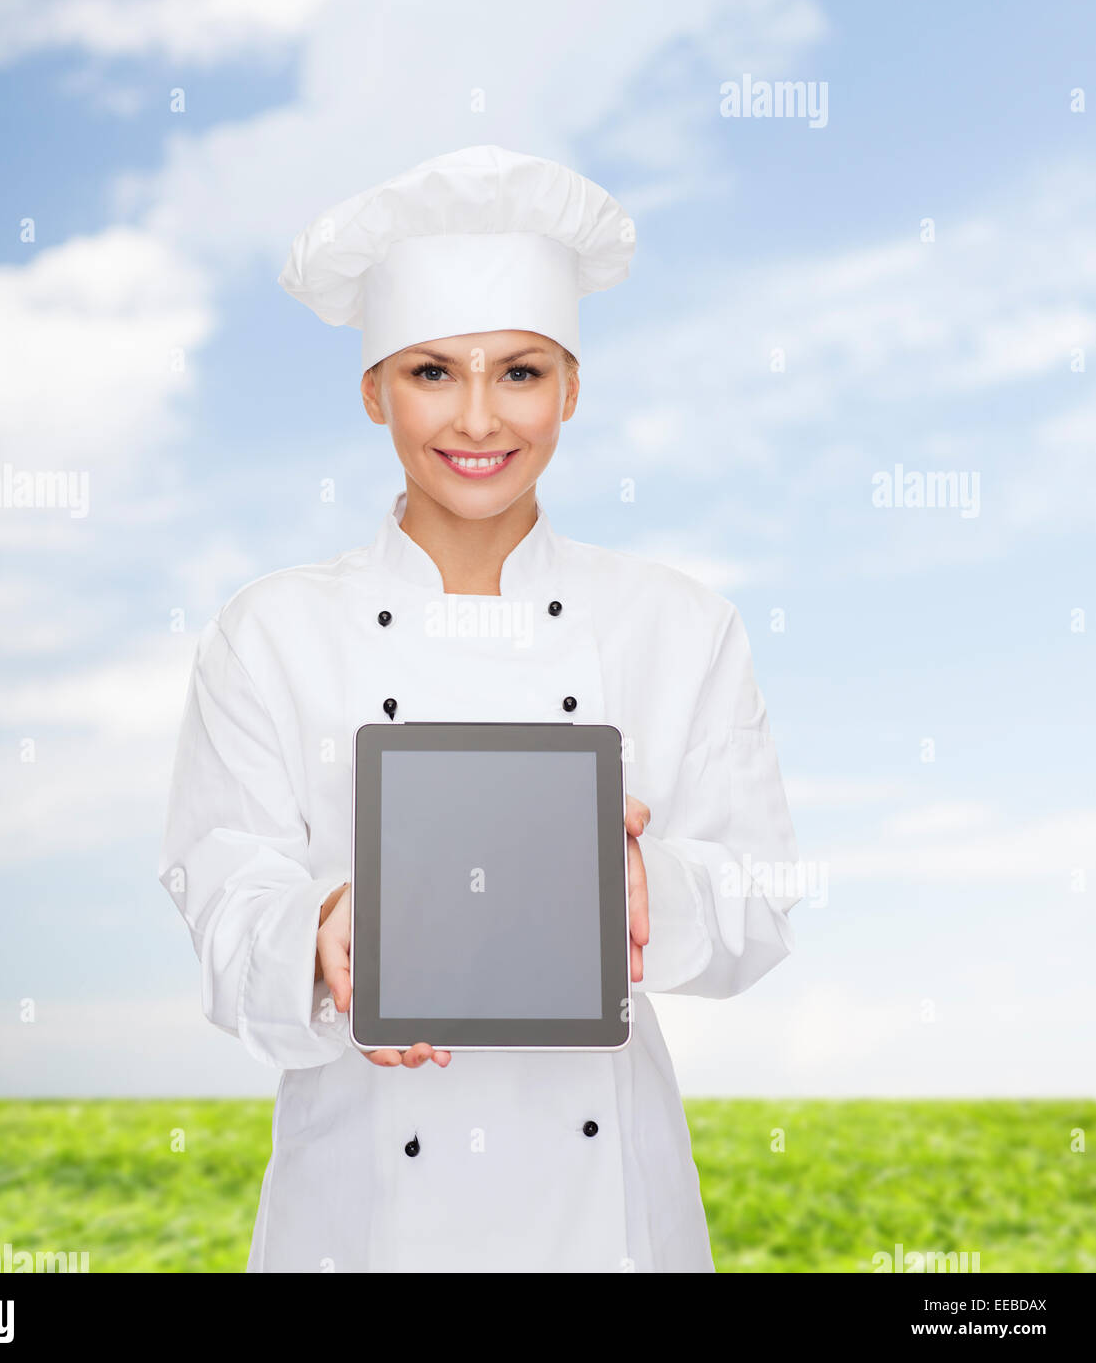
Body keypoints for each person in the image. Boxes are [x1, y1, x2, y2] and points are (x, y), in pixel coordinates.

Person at [159, 144, 800, 1273]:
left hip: (608, 1224)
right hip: (362, 1217)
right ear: (372, 391)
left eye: (519, 372)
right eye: (430, 372)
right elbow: (223, 899)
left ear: (571, 389)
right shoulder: (270, 632)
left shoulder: (679, 622)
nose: (478, 420)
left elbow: (763, 901)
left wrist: (657, 890)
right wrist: (322, 936)